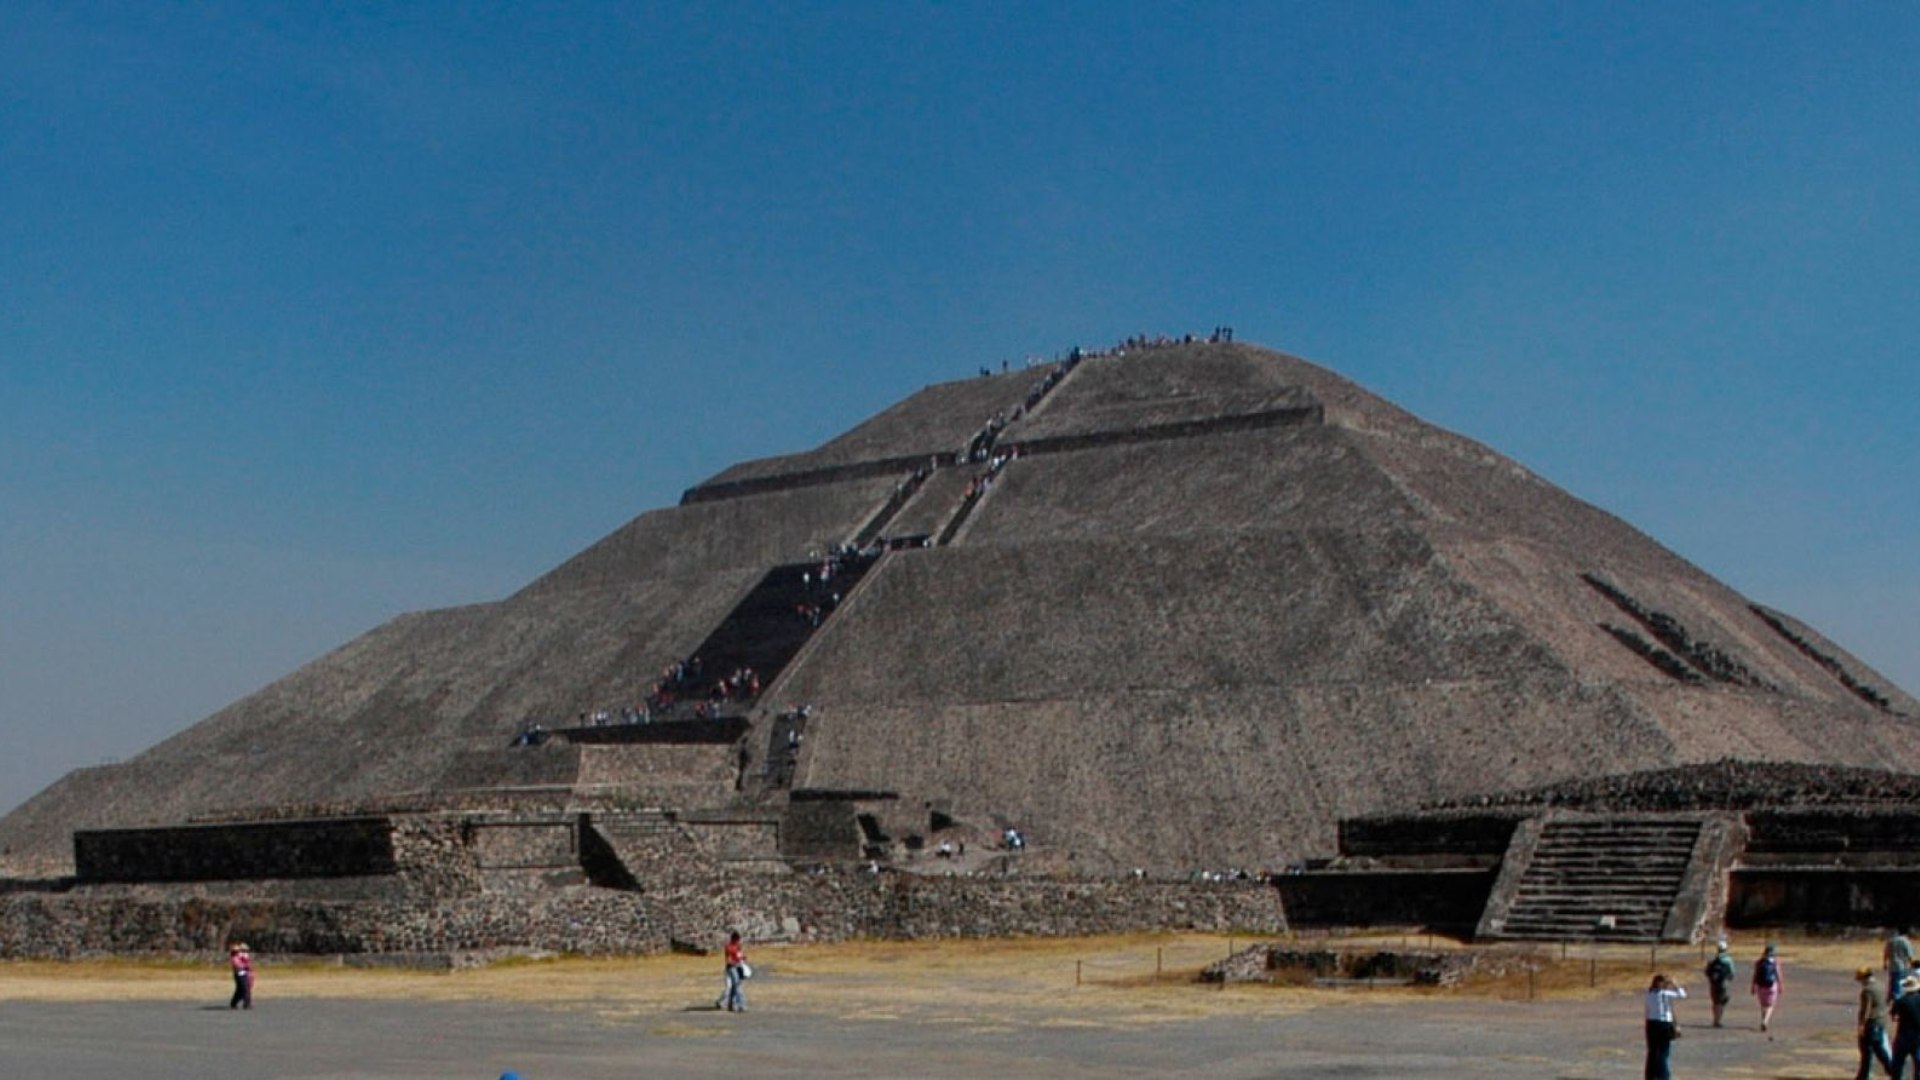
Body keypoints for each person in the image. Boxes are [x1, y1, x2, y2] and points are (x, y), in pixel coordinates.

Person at [1643, 972, 1686, 1080]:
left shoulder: (1649, 993)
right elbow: (1682, 994)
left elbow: (1647, 1009)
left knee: (1652, 1051)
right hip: (1663, 1023)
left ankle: (1651, 1075)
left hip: (1651, 1023)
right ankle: (1663, 1075)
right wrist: (1675, 984)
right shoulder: (1665, 994)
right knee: (1663, 1051)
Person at [1860, 966, 1897, 1080]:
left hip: (1872, 1023)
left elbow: (1866, 1009)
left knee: (1868, 1051)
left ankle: (1864, 1076)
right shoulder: (1880, 986)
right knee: (1878, 1048)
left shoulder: (1867, 990)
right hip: (1881, 1021)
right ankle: (1892, 1071)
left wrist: (1861, 1025)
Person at [1891, 973, 1920, 1080]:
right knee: (1918, 1062)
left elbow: (1894, 1016)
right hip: (1918, 1035)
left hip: (1903, 1034)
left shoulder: (1901, 1001)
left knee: (1898, 1063)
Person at [1704, 940, 1736, 1027]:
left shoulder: (1713, 959)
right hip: (1723, 982)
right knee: (1722, 1000)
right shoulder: (1728, 960)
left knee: (1715, 1002)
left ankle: (1715, 1018)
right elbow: (1732, 972)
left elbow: (1707, 972)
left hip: (1714, 983)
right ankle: (1717, 1020)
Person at [1753, 942, 1783, 1032]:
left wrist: (1753, 985)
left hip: (1760, 986)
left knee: (1763, 1005)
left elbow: (1755, 975)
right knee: (1770, 1005)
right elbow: (1778, 975)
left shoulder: (1759, 962)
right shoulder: (1775, 962)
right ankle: (1765, 1021)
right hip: (1772, 986)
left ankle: (1763, 1020)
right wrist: (1781, 985)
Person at [718, 931, 748, 1013]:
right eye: (737, 940)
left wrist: (742, 958)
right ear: (734, 939)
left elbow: (739, 954)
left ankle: (730, 1004)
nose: (738, 941)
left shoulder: (738, 946)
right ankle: (741, 1005)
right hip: (731, 968)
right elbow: (728, 961)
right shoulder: (729, 947)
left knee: (734, 987)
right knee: (736, 986)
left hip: (738, 967)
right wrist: (735, 961)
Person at [227, 941, 254, 1010]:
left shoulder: (243, 956)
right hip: (239, 974)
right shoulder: (234, 958)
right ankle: (240, 1003)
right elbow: (238, 965)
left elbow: (249, 964)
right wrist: (245, 966)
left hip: (245, 973)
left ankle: (245, 1003)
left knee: (245, 989)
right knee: (243, 988)